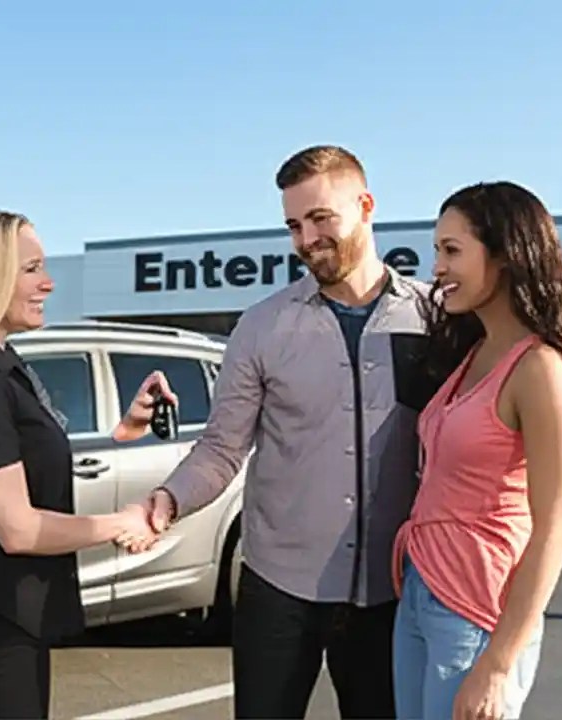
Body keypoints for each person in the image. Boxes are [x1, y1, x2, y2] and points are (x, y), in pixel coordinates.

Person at [124, 145, 437, 719]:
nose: (306, 239)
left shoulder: (432, 317)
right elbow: (221, 447)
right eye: (294, 225)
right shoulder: (261, 326)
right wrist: (167, 501)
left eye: (321, 219)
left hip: (392, 592)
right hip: (278, 590)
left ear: (366, 206)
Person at [0, 208, 176, 720]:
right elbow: (17, 528)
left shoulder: (0, 368)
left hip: (11, 625)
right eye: (31, 269)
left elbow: (33, 471)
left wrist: (127, 430)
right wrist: (124, 523)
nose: (48, 283)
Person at [390, 181, 562, 720]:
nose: (436, 267)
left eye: (452, 250)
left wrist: (500, 663)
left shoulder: (541, 371)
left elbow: (555, 529)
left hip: (477, 613)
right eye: (437, 250)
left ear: (507, 257)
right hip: (420, 594)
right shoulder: (472, 353)